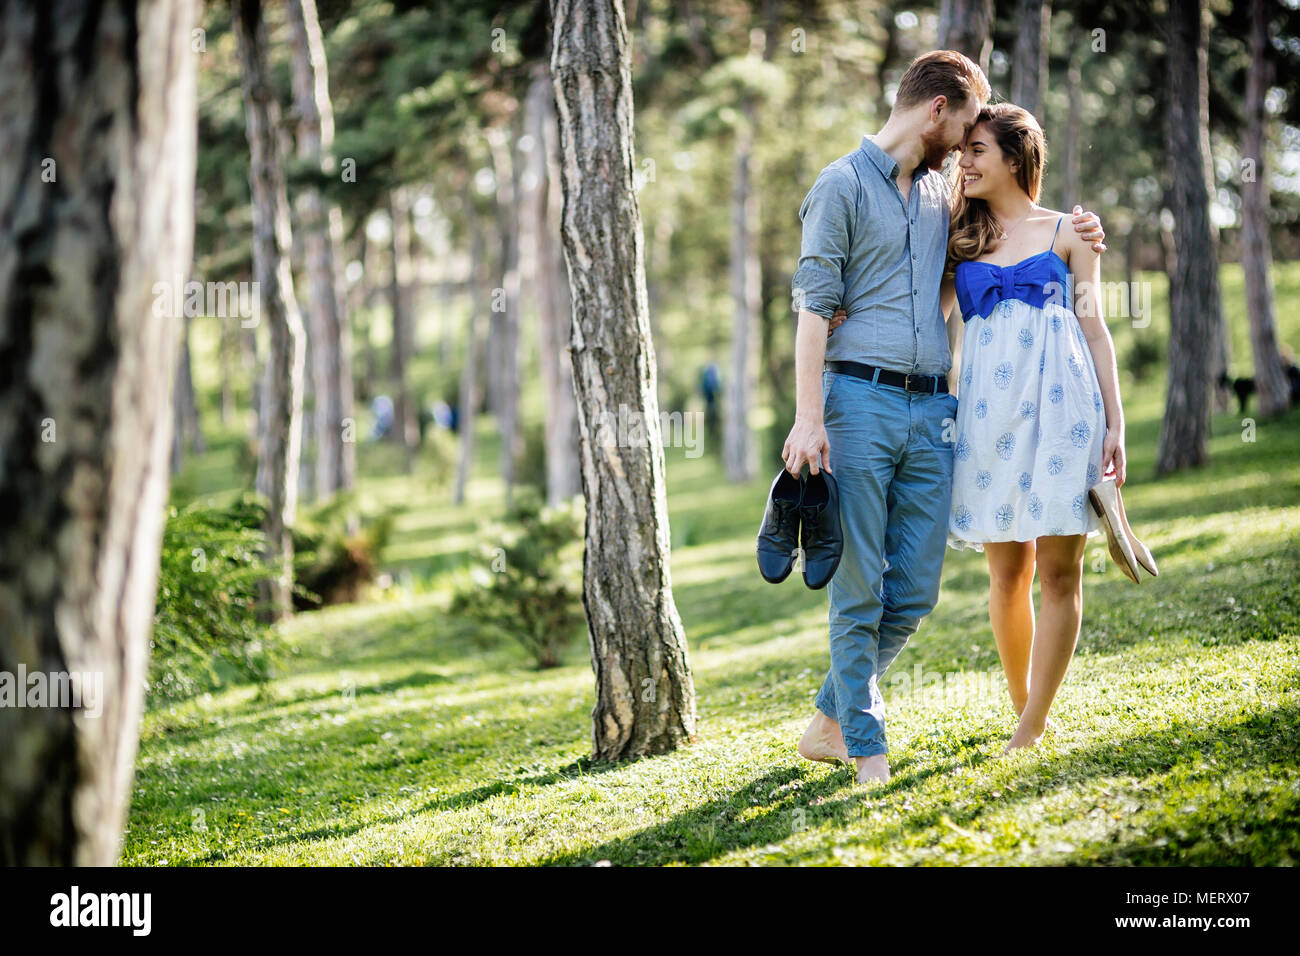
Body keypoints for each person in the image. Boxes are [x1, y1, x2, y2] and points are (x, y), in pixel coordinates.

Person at [784, 51, 1106, 787]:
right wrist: (810, 416)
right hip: (863, 403)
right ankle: (865, 751)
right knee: (863, 585)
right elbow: (813, 306)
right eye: (965, 131)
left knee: (916, 591)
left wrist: (1078, 233)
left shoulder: (942, 199)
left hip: (935, 409)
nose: (966, 149)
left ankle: (829, 719)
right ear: (939, 111)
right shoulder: (843, 185)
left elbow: (1029, 247)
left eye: (976, 146)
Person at [942, 103, 1125, 753]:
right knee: (1005, 574)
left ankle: (1031, 724)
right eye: (961, 152)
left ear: (1015, 158)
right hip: (988, 418)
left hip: (1062, 414)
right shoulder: (958, 238)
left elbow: (1094, 328)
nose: (963, 161)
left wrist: (1115, 423)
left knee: (1057, 573)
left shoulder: (1071, 232)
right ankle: (1023, 707)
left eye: (977, 150)